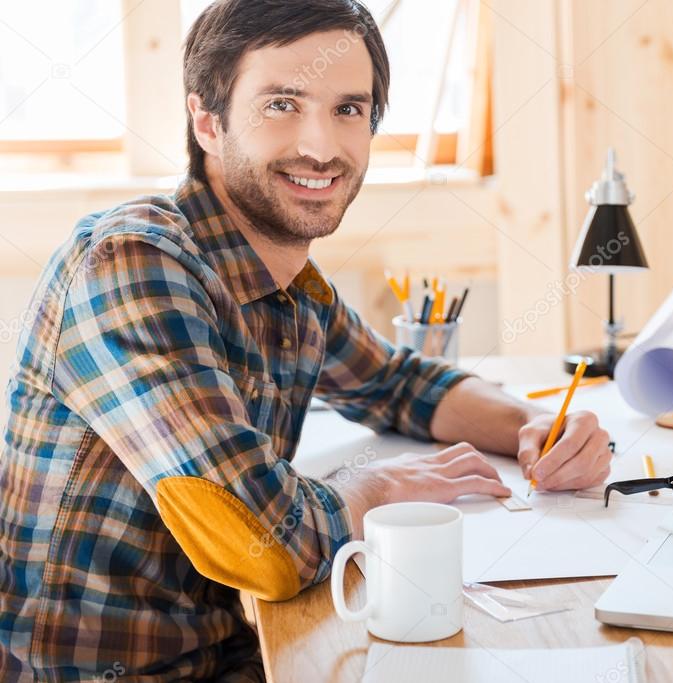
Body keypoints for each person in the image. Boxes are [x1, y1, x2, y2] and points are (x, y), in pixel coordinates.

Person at [0, 1, 613, 679]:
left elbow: (400, 382)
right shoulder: (133, 261)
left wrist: (539, 425)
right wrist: (373, 485)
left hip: (239, 646)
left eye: (348, 109)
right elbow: (263, 543)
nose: (321, 146)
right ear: (207, 120)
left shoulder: (288, 282)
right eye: (282, 104)